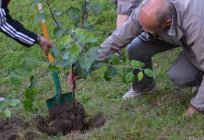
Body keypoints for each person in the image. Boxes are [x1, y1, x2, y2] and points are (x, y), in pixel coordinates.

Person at [98, 0, 204, 116]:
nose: (143, 31)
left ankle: (199, 82)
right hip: (173, 31)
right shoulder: (146, 11)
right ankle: (144, 87)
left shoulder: (196, 25)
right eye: (142, 27)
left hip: (193, 35)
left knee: (180, 76)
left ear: (168, 22)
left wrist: (196, 107)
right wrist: (91, 60)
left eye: (149, 29)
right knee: (135, 48)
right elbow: (118, 38)